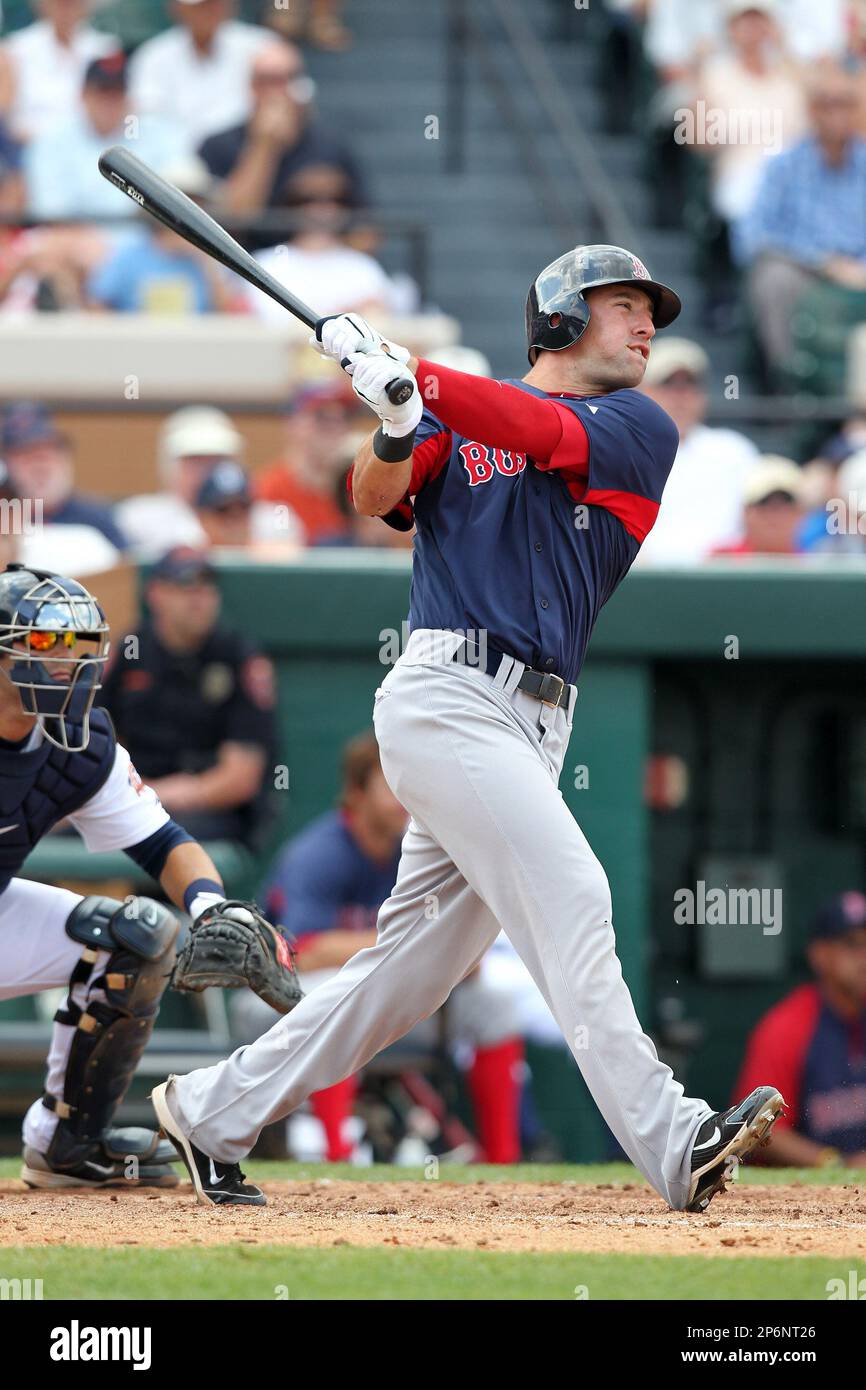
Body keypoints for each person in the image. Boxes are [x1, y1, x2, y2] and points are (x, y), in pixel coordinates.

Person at [151, 243, 783, 1210]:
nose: (648, 325)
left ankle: (210, 1111)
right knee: (573, 890)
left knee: (404, 979)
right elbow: (371, 496)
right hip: (449, 693)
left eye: (649, 310)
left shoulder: (637, 427)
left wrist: (418, 378)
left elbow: (529, 425)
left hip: (535, 722)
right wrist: (400, 421)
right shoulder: (457, 413)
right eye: (624, 307)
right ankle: (675, 1137)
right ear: (561, 317)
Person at [0, 562, 297, 1189]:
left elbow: (165, 844)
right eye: (47, 645)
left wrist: (214, 909)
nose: (67, 666)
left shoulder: (78, 743)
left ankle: (68, 1144)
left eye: (80, 648)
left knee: (139, 935)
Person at [236, 730, 525, 1163]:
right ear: (355, 792)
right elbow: (302, 952)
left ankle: (505, 1161)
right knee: (333, 987)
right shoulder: (320, 853)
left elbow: (465, 957)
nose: (403, 796)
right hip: (275, 1007)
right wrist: (411, 947)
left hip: (385, 1002)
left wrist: (450, 954)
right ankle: (340, 1155)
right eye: (389, 784)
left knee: (495, 1002)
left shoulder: (420, 852)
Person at [99, 547, 277, 849]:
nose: (199, 599)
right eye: (186, 588)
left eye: (207, 588)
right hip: (134, 799)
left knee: (168, 836)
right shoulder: (130, 652)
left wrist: (157, 794)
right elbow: (94, 741)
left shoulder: (238, 658)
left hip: (211, 810)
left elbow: (240, 778)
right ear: (156, 594)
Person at [737, 66, 866, 374]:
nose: (836, 113)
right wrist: (824, 261)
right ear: (812, 110)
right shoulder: (784, 165)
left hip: (860, 269)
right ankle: (792, 378)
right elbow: (751, 237)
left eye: (844, 103)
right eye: (827, 103)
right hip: (806, 269)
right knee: (774, 279)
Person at [735, 894, 866, 1167]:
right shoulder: (788, 1026)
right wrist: (836, 1164)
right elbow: (756, 1126)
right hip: (801, 1193)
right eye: (853, 945)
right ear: (820, 954)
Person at [198, 39, 363, 246]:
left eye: (288, 79)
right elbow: (231, 223)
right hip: (241, 268)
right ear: (251, 87)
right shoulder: (217, 145)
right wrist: (264, 145)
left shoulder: (332, 145)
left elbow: (366, 234)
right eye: (267, 80)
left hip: (316, 267)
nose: (278, 91)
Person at [636, 337, 760, 565]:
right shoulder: (622, 451)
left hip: (724, 582)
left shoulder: (734, 450)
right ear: (644, 392)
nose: (680, 396)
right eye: (668, 385)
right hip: (642, 582)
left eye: (689, 385)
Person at [24, 54, 185, 222]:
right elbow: (52, 212)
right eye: (102, 93)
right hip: (77, 239)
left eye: (117, 94)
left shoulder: (156, 134)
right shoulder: (53, 140)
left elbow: (180, 194)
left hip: (147, 240)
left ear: (128, 98)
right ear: (83, 95)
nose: (109, 103)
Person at [116, 405, 295, 557]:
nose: (208, 470)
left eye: (218, 459)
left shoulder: (273, 518)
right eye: (195, 461)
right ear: (170, 465)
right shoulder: (139, 518)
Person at [87, 157, 241, 315]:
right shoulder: (128, 255)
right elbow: (97, 307)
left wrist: (207, 262)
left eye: (195, 206)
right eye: (177, 205)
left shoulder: (214, 261)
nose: (187, 217)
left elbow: (230, 316)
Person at [128, 0, 273, 150]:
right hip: (176, 162)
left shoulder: (263, 47)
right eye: (199, 6)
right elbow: (150, 123)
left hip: (244, 153)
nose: (207, 10)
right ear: (176, 7)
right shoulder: (152, 56)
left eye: (213, 3)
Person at [2, 403, 127, 554]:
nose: (40, 467)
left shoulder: (96, 519)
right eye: (27, 457)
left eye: (47, 456)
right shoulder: (5, 521)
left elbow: (126, 570)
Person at [254, 381, 360, 545]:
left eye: (343, 417)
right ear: (293, 424)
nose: (334, 425)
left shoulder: (355, 487)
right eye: (321, 416)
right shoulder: (272, 489)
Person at [0, 0, 118, 142]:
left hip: (91, 150)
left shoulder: (106, 49)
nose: (66, 9)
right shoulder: (14, 49)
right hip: (28, 150)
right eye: (60, 3)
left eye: (72, 3)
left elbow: (114, 111)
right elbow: (5, 116)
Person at [710, 455, 807, 555]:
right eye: (763, 502)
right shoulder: (721, 560)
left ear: (801, 512)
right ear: (746, 512)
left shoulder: (816, 563)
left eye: (786, 502)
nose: (774, 516)